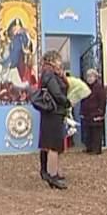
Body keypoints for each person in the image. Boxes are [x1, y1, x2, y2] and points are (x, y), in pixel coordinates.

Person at [38, 50, 71, 189]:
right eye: (58, 60)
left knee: (52, 144)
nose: (60, 62)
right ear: (52, 60)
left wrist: (62, 76)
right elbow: (56, 93)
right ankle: (52, 176)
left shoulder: (52, 73)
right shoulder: (49, 74)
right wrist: (67, 102)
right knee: (54, 145)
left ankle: (49, 172)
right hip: (54, 112)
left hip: (54, 112)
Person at [81, 69, 106, 154]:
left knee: (96, 132)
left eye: (91, 76)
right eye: (88, 76)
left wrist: (101, 112)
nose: (89, 78)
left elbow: (102, 100)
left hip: (96, 113)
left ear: (95, 77)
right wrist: (82, 111)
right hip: (88, 114)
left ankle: (96, 149)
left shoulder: (99, 87)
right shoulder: (85, 87)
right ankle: (90, 148)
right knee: (88, 132)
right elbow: (83, 100)